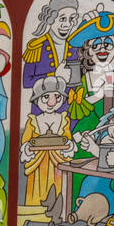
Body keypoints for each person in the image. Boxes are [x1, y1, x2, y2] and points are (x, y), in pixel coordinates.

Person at [21, 75, 75, 211]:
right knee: (37, 197)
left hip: (58, 166)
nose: (52, 102)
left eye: (57, 97)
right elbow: (25, 143)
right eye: (46, 97)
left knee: (58, 194)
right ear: (37, 100)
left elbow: (67, 140)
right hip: (38, 166)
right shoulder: (33, 121)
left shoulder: (63, 120)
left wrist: (68, 145)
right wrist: (28, 148)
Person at [23, 0, 81, 89]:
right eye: (62, 19)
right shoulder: (36, 47)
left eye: (71, 19)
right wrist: (54, 75)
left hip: (71, 103)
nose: (67, 24)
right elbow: (27, 81)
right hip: (43, 103)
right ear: (51, 19)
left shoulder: (75, 47)